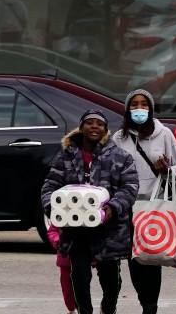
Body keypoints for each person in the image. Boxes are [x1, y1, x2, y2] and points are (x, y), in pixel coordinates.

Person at [40, 111, 140, 314]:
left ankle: (108, 307)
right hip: (76, 230)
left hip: (108, 230)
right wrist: (53, 208)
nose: (94, 127)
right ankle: (85, 311)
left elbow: (130, 186)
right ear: (81, 127)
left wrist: (113, 207)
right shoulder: (66, 156)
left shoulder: (120, 157)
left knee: (111, 280)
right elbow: (50, 185)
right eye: (89, 123)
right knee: (79, 277)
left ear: (105, 130)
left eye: (99, 124)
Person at [114, 87, 176, 314]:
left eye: (144, 104)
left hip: (154, 207)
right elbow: (111, 169)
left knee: (152, 258)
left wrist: (166, 169)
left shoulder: (164, 134)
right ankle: (145, 301)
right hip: (128, 207)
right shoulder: (119, 137)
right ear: (127, 109)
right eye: (135, 104)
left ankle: (150, 306)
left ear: (151, 108)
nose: (139, 108)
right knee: (134, 259)